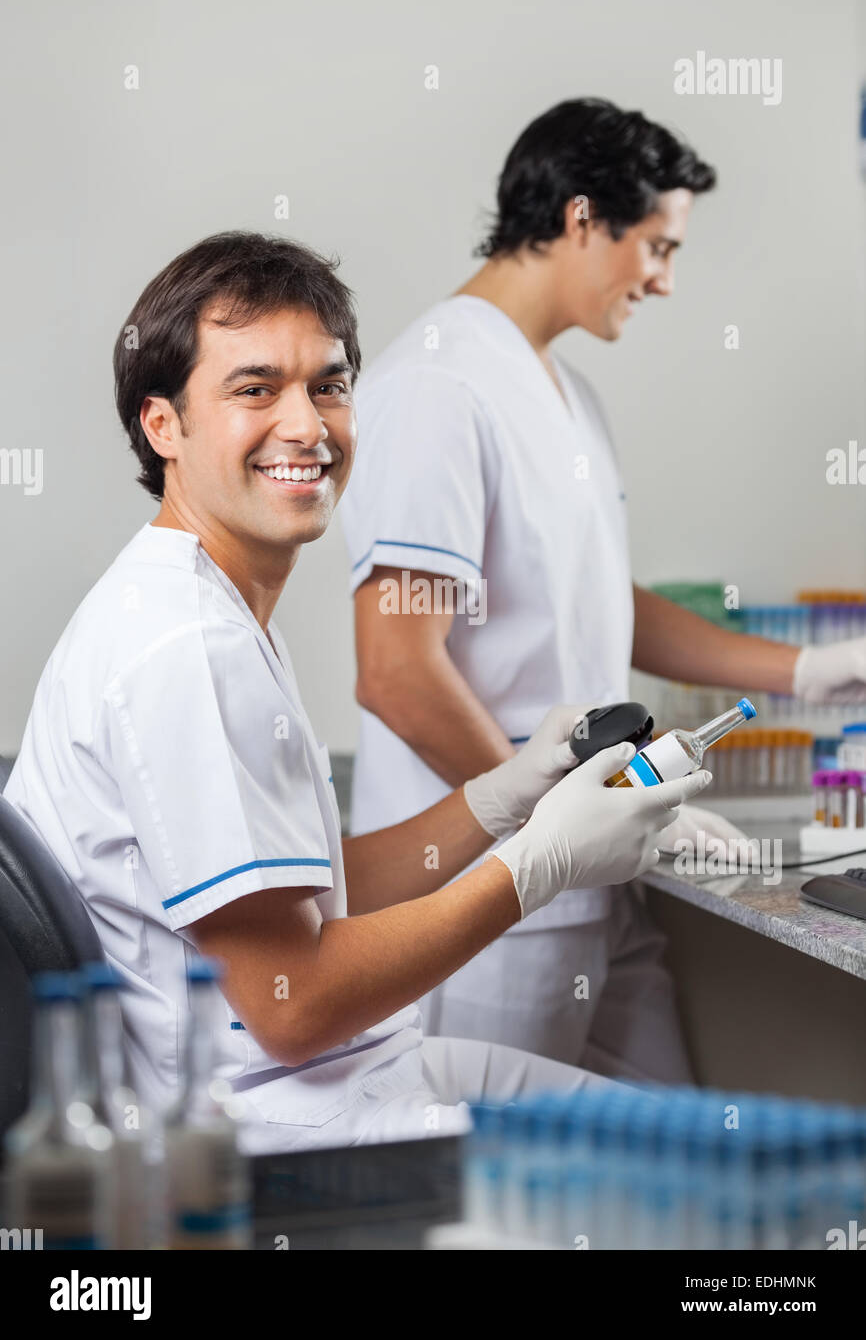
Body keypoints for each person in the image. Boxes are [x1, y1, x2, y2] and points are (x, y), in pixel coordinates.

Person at [2, 231, 711, 1154]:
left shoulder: (193, 600)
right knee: (695, 1172)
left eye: (328, 386)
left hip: (331, 1081)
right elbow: (294, 1006)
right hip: (276, 1133)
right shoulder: (188, 648)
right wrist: (540, 865)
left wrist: (503, 797)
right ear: (163, 425)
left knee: (687, 1141)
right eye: (256, 389)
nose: (307, 426)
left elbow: (307, 898)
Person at [341, 98, 866, 1081]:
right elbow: (395, 670)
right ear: (581, 219)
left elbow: (598, 603)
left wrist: (809, 669)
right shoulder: (437, 387)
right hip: (489, 897)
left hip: (596, 877)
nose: (664, 280)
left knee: (676, 1154)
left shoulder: (563, 393)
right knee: (510, 1174)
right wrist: (569, 816)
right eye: (656, 247)